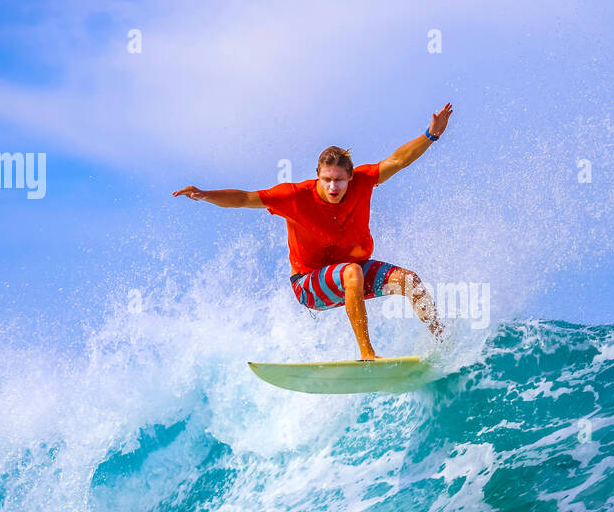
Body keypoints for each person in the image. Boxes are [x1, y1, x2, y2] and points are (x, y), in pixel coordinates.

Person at [174, 103, 453, 360]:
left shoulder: (364, 181)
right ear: (318, 175)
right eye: (327, 180)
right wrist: (205, 194)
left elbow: (398, 160)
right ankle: (367, 354)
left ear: (350, 177)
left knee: (409, 280)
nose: (333, 187)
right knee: (351, 272)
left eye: (339, 181)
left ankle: (444, 342)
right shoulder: (294, 196)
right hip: (308, 285)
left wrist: (431, 135)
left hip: (353, 272)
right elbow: (245, 198)